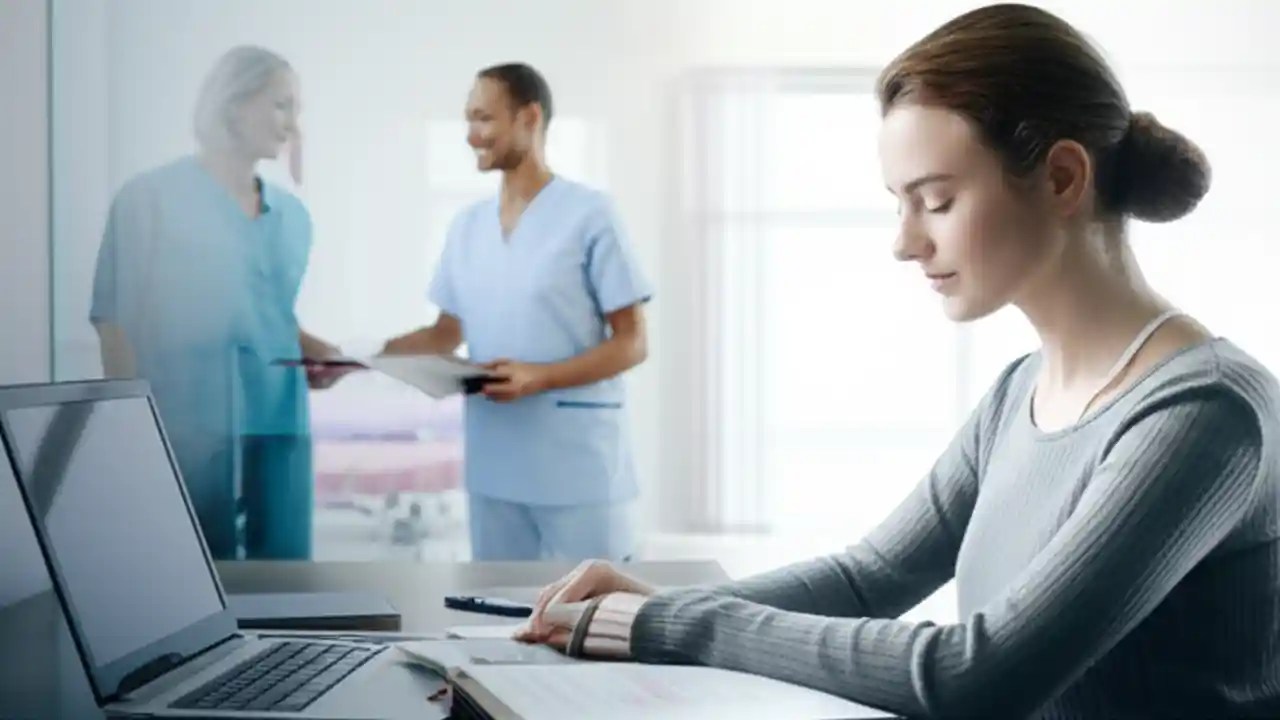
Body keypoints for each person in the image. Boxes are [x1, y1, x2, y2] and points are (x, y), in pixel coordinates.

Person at [515, 5, 1280, 718]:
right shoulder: (1021, 392)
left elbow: (978, 674)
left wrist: (670, 622)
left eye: (937, 201)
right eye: (900, 202)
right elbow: (869, 579)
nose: (905, 241)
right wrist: (646, 604)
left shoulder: (1205, 415)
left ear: (1062, 179)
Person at [382, 63, 652, 562]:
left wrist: (541, 377)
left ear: (530, 118)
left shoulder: (590, 214)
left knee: (590, 622)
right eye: (467, 120)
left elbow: (632, 341)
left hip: (577, 467)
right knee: (498, 618)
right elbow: (445, 335)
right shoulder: (466, 226)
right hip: (495, 464)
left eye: (484, 119)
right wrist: (357, 356)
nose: (470, 136)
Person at [90, 46, 346, 561]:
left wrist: (320, 351)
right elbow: (115, 320)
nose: (292, 124)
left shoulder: (292, 215)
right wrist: (131, 430)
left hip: (279, 420)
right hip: (183, 421)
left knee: (285, 576)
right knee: (187, 572)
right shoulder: (149, 199)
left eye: (296, 110)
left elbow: (266, 312)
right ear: (234, 103)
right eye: (281, 105)